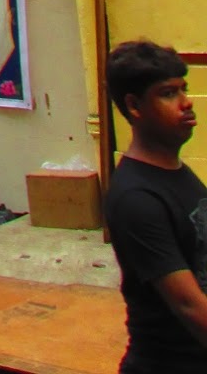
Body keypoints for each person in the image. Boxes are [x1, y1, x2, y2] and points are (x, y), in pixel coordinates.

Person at [104, 39, 207, 372]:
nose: (186, 102)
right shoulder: (137, 198)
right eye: (168, 93)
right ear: (134, 106)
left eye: (183, 89)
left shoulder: (177, 173)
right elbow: (189, 305)